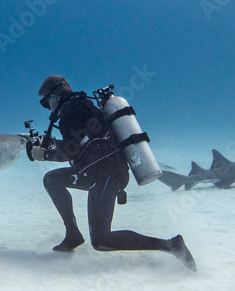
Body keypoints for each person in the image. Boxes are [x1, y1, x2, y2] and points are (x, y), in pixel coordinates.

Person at [27, 75, 197, 270]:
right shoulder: (81, 104)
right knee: (52, 179)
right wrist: (49, 145)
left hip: (107, 176)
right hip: (96, 172)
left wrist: (45, 155)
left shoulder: (69, 109)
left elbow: (71, 150)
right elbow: (85, 143)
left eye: (45, 102)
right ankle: (73, 235)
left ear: (54, 96)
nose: (48, 108)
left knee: (101, 240)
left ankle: (171, 245)